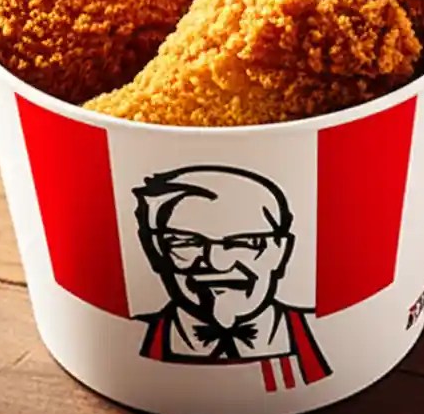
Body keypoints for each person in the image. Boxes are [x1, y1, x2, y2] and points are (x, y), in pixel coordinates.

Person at [132, 165, 331, 390]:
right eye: (186, 242)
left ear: (281, 251)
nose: (217, 263)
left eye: (245, 242)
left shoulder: (330, 331)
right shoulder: (125, 338)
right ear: (154, 251)